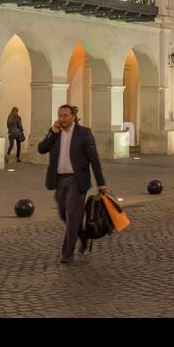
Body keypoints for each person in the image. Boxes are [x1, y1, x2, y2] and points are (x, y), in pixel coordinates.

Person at [37, 104, 107, 264]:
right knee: (63, 213)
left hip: (77, 179)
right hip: (59, 179)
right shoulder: (55, 133)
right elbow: (41, 149)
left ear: (73, 116)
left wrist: (101, 182)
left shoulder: (84, 133)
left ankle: (67, 253)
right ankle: (82, 235)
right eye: (60, 115)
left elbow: (93, 159)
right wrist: (52, 133)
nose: (62, 118)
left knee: (73, 214)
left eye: (65, 115)